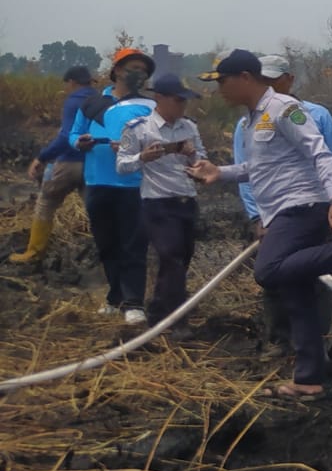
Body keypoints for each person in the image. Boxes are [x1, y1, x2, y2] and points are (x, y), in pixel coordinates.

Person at [189, 49, 332, 398]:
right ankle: (309, 379)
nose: (220, 90)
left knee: (268, 270)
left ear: (245, 77)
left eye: (223, 82)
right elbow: (257, 169)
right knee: (298, 292)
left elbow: (320, 152)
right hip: (280, 210)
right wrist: (220, 172)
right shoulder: (250, 122)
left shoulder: (284, 109)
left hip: (303, 207)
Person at [235, 54, 332, 350]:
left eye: (276, 79)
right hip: (274, 215)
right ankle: (280, 339)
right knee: (275, 276)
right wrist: (256, 217)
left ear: (289, 79)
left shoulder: (314, 114)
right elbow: (247, 169)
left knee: (315, 277)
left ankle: (317, 343)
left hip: (315, 210)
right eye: (265, 79)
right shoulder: (247, 123)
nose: (271, 85)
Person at [69, 48, 157, 323]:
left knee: (133, 243)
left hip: (133, 183)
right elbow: (73, 133)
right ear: (117, 70)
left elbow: (157, 139)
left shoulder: (149, 106)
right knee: (106, 243)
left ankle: (134, 303)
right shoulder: (93, 104)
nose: (139, 73)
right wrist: (79, 142)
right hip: (97, 181)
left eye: (143, 70)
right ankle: (115, 296)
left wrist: (134, 147)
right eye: (133, 67)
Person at [116, 74, 206, 325]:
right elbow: (121, 165)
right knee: (171, 255)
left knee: (181, 258)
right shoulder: (139, 128)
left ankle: (157, 310)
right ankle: (178, 321)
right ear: (159, 98)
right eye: (178, 100)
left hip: (186, 200)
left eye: (184, 102)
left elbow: (202, 161)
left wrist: (193, 156)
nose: (182, 106)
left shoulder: (189, 127)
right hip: (157, 203)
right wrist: (142, 158)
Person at [10, 66, 96, 264]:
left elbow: (66, 136)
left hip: (67, 163)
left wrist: (41, 158)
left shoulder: (73, 101)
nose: (66, 88)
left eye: (67, 84)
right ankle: (111, 254)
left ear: (72, 82)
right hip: (93, 165)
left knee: (46, 203)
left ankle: (33, 254)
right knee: (95, 211)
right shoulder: (101, 100)